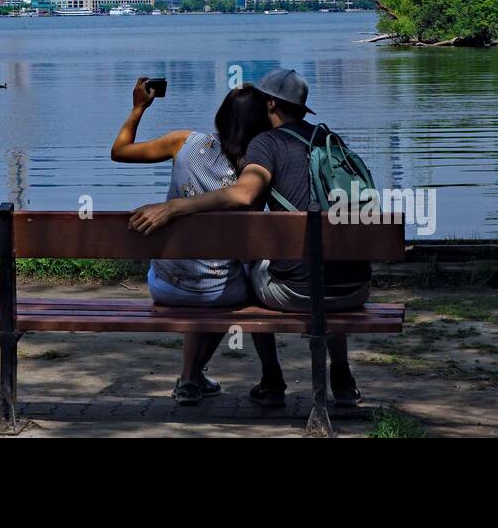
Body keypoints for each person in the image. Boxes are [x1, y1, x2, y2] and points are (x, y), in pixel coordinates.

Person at [128, 68, 369, 410]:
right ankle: (342, 376)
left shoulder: (266, 145)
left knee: (254, 270)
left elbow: (242, 195)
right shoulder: (329, 139)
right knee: (327, 259)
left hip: (299, 294)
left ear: (271, 104)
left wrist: (174, 207)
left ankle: (272, 378)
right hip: (354, 287)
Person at [110, 77, 283, 406]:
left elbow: (120, 151)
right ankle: (269, 376)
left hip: (166, 285)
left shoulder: (183, 142)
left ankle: (191, 378)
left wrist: (138, 108)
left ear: (220, 117)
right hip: (220, 292)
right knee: (242, 282)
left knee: (201, 270)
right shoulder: (256, 171)